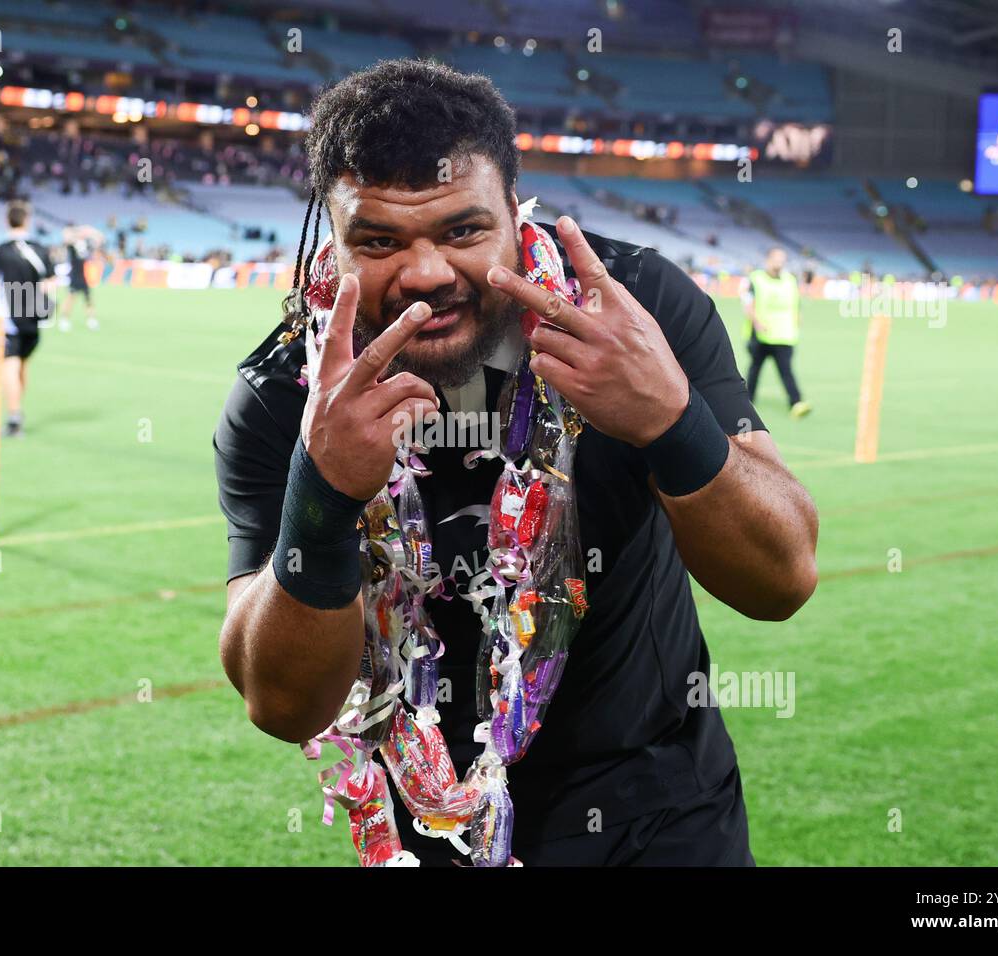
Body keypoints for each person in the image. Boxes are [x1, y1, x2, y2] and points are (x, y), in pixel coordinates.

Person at [213, 60, 819, 866]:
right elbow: (281, 702)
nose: (426, 273)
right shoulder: (288, 391)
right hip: (433, 827)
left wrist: (671, 422)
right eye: (380, 241)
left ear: (514, 209)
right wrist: (320, 493)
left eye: (463, 230)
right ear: (332, 238)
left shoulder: (636, 311)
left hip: (660, 818)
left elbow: (782, 579)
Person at [0, 200, 54, 438]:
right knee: (22, 365)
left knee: (10, 365)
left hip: (11, 319)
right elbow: (50, 283)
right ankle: (16, 411)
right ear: (27, 220)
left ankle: (14, 418)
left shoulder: (1, 250)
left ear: (7, 221)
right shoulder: (40, 248)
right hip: (35, 317)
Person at [741, 247, 812, 418]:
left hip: (784, 335)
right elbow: (748, 303)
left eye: (782, 260)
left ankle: (796, 402)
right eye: (776, 259)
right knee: (754, 370)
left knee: (786, 371)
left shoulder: (790, 280)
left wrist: (797, 319)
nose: (779, 263)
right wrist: (756, 322)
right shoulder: (756, 279)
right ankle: (747, 402)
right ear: (768, 260)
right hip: (761, 335)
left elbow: (795, 303)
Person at [59, 223, 104, 330]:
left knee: (88, 299)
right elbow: (66, 237)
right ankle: (64, 319)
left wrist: (91, 231)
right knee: (70, 298)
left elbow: (100, 239)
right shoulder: (72, 244)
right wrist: (76, 231)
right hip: (74, 275)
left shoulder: (86, 244)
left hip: (83, 276)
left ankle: (91, 320)